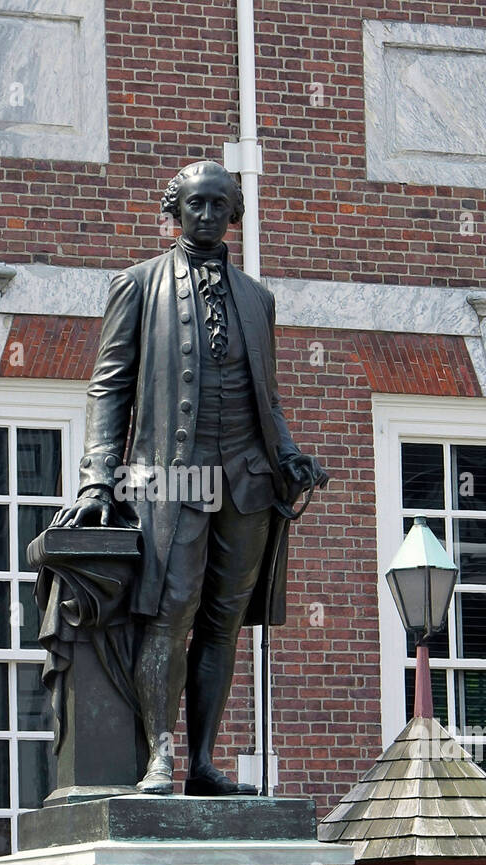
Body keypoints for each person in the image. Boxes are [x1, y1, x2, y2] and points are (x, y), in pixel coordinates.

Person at [54, 160, 326, 796]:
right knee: (172, 611)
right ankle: (160, 754)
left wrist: (288, 454)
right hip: (171, 479)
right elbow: (110, 385)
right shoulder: (138, 285)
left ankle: (203, 762)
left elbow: (268, 398)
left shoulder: (259, 299)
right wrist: (98, 479)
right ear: (173, 211)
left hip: (247, 481)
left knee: (224, 621)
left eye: (218, 205)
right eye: (195, 204)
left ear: (235, 214)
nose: (206, 216)